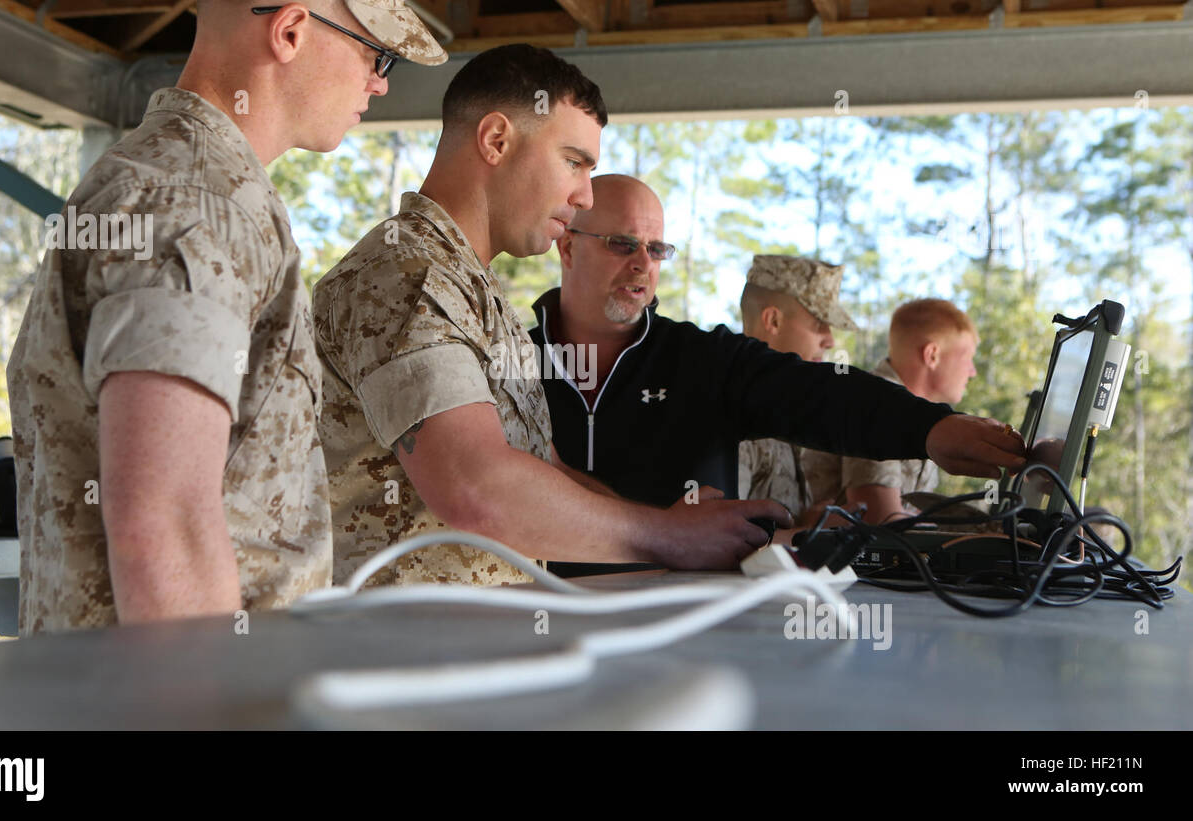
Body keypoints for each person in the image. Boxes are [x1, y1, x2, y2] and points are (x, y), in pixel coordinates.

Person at [6, 0, 446, 632]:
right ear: (290, 31)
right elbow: (165, 519)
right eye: (376, 55)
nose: (379, 81)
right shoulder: (196, 202)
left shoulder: (187, 183)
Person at [313, 45, 792, 588]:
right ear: (496, 140)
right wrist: (669, 538)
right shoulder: (408, 275)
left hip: (467, 647)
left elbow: (543, 467)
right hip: (405, 654)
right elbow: (475, 487)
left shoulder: (472, 286)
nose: (585, 195)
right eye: (573, 162)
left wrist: (667, 526)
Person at [527, 174, 1024, 558]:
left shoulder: (704, 360)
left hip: (681, 637)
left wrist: (933, 427)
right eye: (622, 243)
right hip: (522, 629)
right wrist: (662, 532)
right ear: (567, 246)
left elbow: (820, 395)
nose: (643, 264)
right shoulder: (510, 365)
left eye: (657, 249)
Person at [803, 298, 980, 524]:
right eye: (968, 358)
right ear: (932, 355)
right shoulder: (871, 404)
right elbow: (880, 521)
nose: (972, 371)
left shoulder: (921, 414)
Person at [735, 255, 858, 542]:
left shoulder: (782, 405)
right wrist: (806, 536)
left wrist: (809, 521)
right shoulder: (733, 408)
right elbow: (714, 536)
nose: (830, 340)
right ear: (773, 320)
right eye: (819, 324)